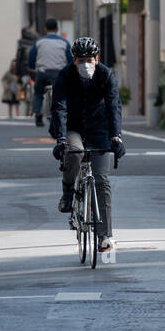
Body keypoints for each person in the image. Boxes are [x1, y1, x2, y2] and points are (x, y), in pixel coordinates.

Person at [49, 37, 123, 253]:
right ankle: (68, 192)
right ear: (74, 61)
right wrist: (61, 138)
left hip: (100, 130)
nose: (85, 64)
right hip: (73, 128)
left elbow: (114, 106)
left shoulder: (105, 74)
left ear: (97, 59)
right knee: (75, 152)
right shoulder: (64, 76)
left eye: (89, 59)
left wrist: (116, 136)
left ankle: (104, 236)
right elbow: (59, 108)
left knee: (101, 180)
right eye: (81, 60)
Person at [29, 18, 73, 126]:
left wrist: (32, 67)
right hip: (58, 73)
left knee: (38, 93)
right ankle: (61, 112)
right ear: (57, 29)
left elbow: (31, 57)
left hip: (42, 73)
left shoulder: (39, 42)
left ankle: (37, 113)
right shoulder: (64, 42)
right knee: (63, 93)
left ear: (45, 29)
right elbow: (70, 60)